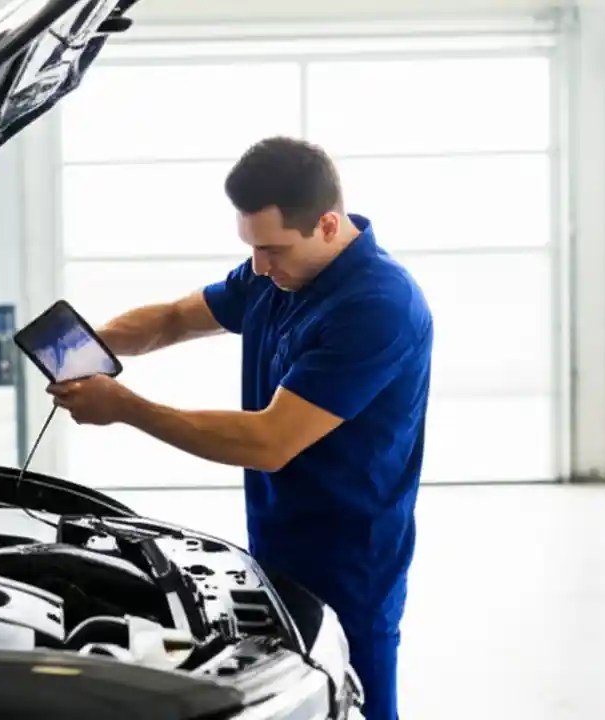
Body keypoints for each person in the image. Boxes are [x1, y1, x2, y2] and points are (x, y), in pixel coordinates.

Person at [48, 136, 432, 720]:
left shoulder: (378, 306)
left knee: (355, 705)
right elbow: (176, 318)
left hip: (352, 558)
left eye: (273, 248)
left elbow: (269, 441)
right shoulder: (277, 275)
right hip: (277, 540)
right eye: (251, 248)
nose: (259, 265)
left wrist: (125, 407)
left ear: (328, 224)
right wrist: (86, 346)